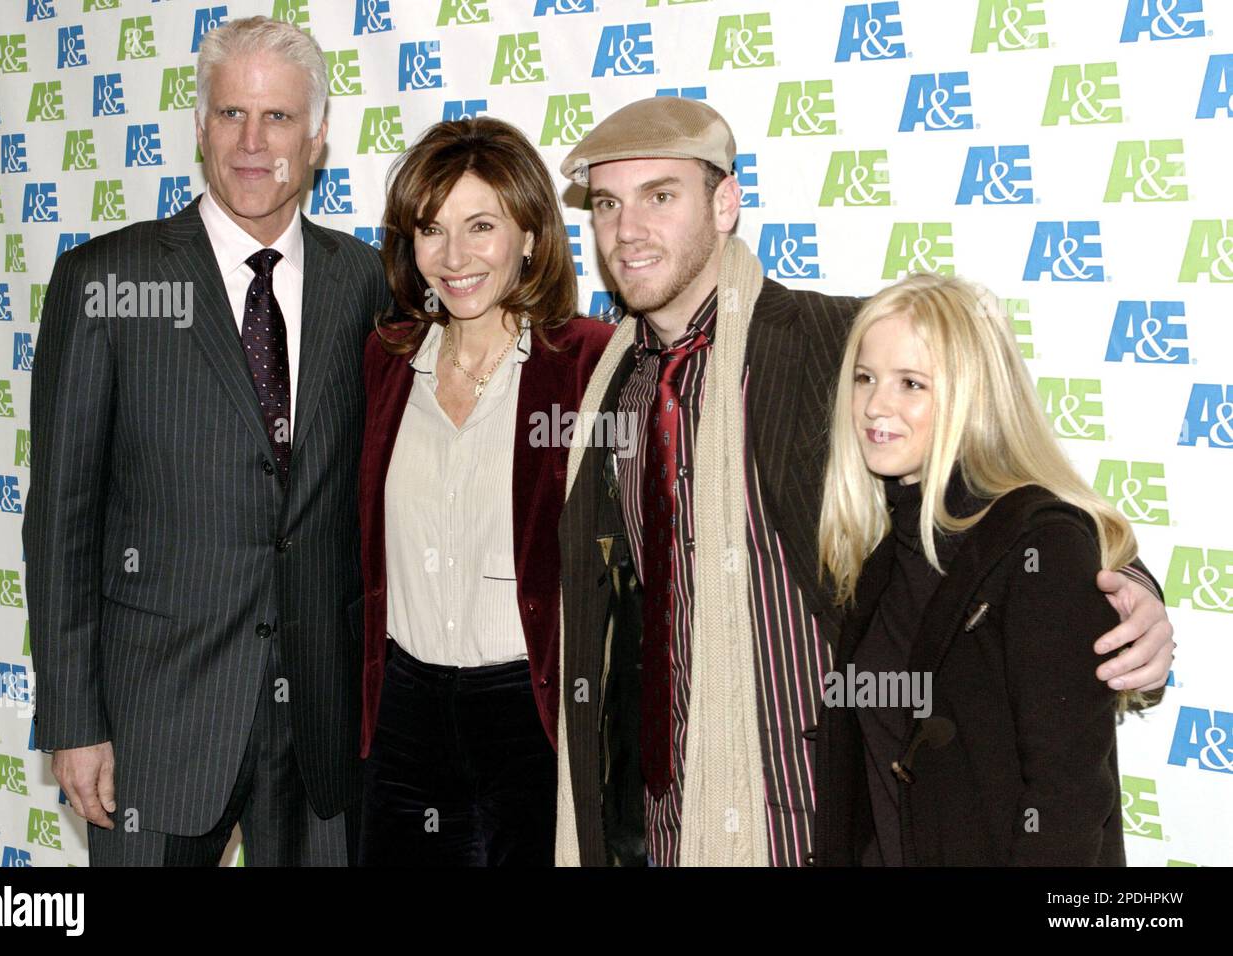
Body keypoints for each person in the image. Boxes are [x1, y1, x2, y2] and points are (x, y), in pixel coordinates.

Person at [551, 96, 1175, 867]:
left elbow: (1002, 484)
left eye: (661, 195)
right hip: (662, 809)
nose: (628, 229)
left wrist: (1127, 585)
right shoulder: (609, 385)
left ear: (725, 202)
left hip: (825, 802)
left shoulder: (839, 344)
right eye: (608, 202)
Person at [23, 16, 388, 865]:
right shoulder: (106, 281)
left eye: (279, 118)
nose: (253, 143)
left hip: (324, 730)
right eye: (231, 115)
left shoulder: (365, 280)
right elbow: (62, 519)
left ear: (320, 135)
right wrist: (74, 722)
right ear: (198, 127)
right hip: (156, 725)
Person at [814, 274, 1146, 866]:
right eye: (865, 378)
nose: (873, 405)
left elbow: (1067, 799)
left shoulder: (1040, 545)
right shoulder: (886, 553)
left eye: (910, 383)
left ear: (974, 395)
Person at [356, 117, 613, 866]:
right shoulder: (386, 358)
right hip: (401, 714)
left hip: (529, 717)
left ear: (530, 233)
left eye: (480, 226)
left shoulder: (587, 363)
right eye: (431, 229)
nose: (454, 257)